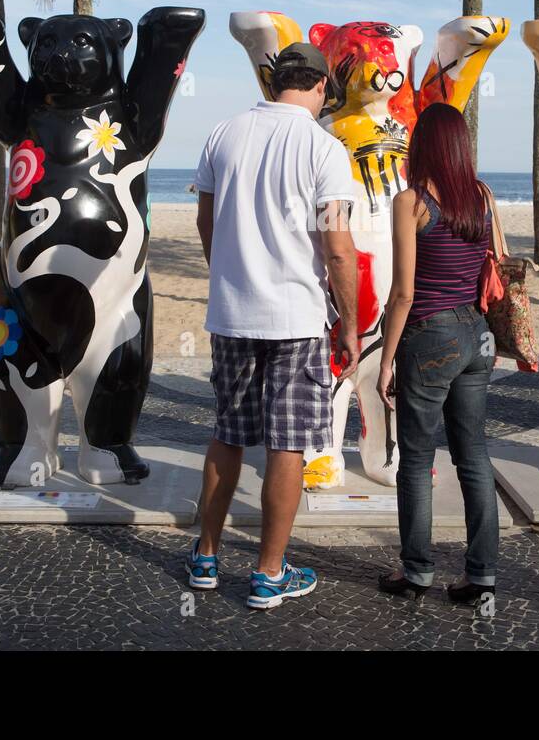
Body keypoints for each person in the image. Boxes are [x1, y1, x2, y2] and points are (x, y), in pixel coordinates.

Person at [187, 42, 360, 610]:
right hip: (295, 316)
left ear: (272, 80)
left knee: (228, 433)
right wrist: (352, 323)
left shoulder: (224, 133)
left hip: (232, 313)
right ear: (320, 87)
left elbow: (206, 221)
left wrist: (231, 277)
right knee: (287, 445)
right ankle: (268, 573)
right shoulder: (324, 148)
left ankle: (207, 557)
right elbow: (337, 249)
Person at [376, 103, 500, 604]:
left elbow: (403, 293)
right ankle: (481, 575)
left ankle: (417, 572)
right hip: (477, 333)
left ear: (422, 146)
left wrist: (386, 359)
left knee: (417, 459)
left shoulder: (412, 201)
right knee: (474, 455)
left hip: (429, 335)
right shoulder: (482, 196)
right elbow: (493, 265)